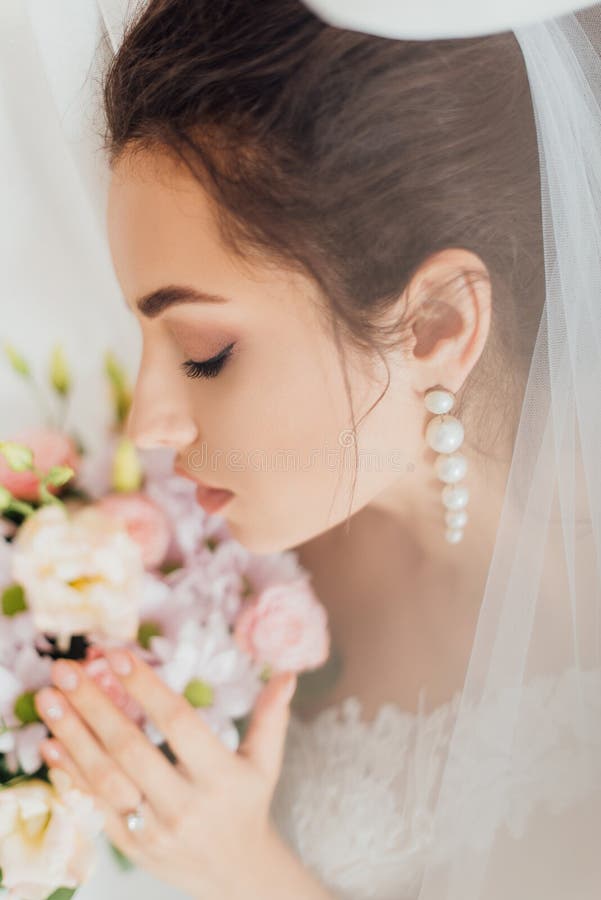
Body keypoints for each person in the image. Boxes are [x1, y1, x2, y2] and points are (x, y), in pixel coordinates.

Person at [3, 1, 601, 898]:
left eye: (204, 352)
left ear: (436, 322)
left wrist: (246, 873)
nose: (146, 427)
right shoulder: (199, 563)